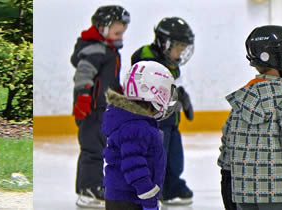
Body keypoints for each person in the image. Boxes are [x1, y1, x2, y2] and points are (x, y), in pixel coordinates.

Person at [218, 25, 282, 210]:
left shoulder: (241, 101)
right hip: (280, 195)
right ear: (275, 60)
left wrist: (227, 177)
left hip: (244, 195)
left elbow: (229, 144)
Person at [130, 16, 195, 205]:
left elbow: (175, 86)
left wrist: (183, 99)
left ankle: (171, 187)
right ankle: (148, 190)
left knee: (174, 158)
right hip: (153, 121)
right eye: (179, 48)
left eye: (184, 48)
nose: (181, 53)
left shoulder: (173, 64)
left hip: (171, 120)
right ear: (164, 43)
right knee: (155, 157)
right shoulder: (145, 56)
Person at [70, 5, 130, 208]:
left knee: (100, 147)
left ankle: (96, 185)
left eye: (122, 32)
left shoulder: (108, 50)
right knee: (92, 148)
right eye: (117, 31)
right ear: (102, 27)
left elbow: (109, 82)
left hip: (102, 109)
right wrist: (83, 97)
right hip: (90, 109)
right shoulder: (95, 49)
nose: (120, 35)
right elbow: (84, 75)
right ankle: (89, 189)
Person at [101, 61, 176, 210]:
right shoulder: (136, 127)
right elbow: (134, 166)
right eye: (165, 93)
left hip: (125, 198)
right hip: (130, 200)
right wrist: (148, 198)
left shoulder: (134, 123)